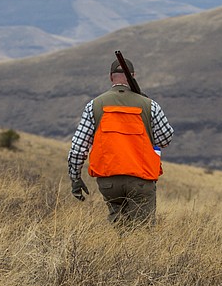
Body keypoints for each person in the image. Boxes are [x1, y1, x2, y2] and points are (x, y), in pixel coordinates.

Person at [68, 57, 174, 226]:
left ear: (111, 77)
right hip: (141, 179)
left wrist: (75, 179)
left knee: (120, 226)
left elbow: (77, 148)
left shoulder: (94, 105)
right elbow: (165, 139)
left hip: (109, 181)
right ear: (133, 76)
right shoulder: (150, 105)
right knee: (142, 230)